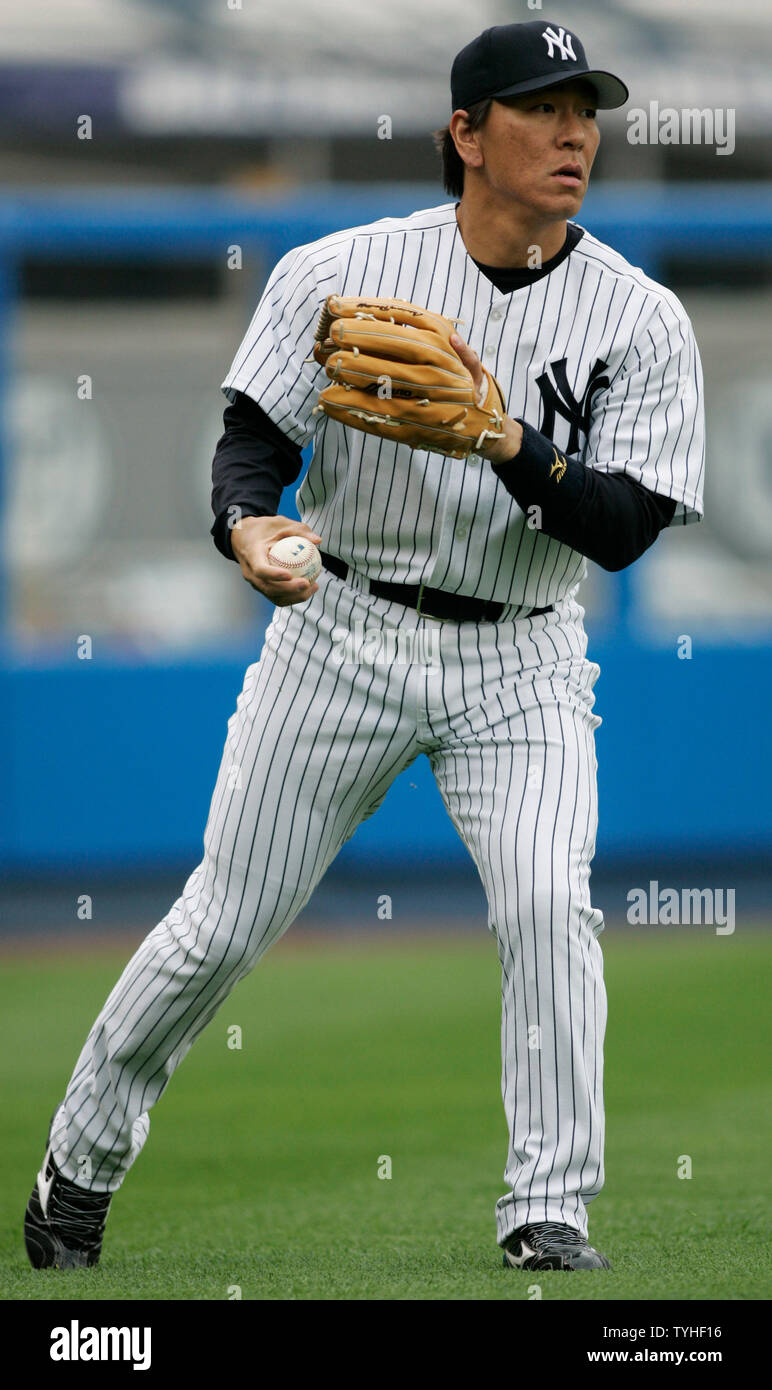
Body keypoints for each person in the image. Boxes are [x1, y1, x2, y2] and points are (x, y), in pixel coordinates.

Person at [24, 19, 704, 1274]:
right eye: (541, 109)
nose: (572, 134)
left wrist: (511, 444)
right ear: (465, 134)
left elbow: (622, 532)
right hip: (342, 630)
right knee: (221, 925)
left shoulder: (640, 316)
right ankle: (80, 1164)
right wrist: (248, 532)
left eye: (585, 110)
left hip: (524, 652)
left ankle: (546, 1208)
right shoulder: (338, 269)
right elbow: (251, 441)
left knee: (550, 907)